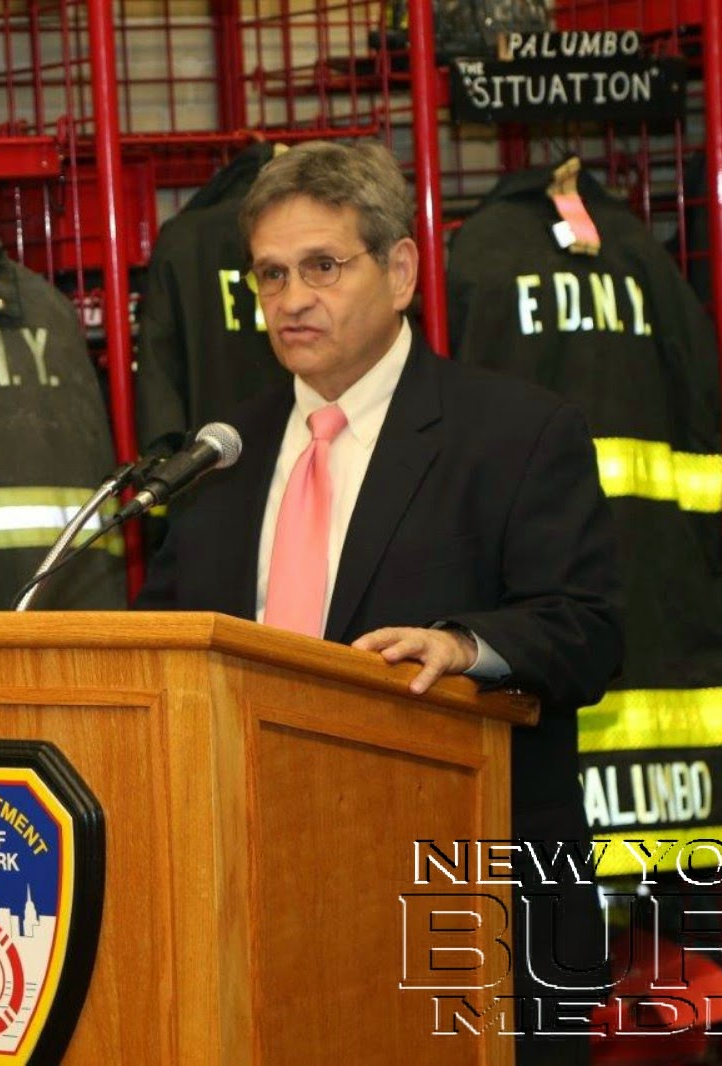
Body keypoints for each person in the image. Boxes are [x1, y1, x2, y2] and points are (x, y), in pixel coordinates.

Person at [135, 139, 623, 1063]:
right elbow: (163, 647)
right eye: (269, 274)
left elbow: (587, 630)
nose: (290, 298)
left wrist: (464, 646)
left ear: (399, 270)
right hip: (263, 913)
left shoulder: (515, 432)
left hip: (466, 918)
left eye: (321, 265)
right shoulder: (220, 457)